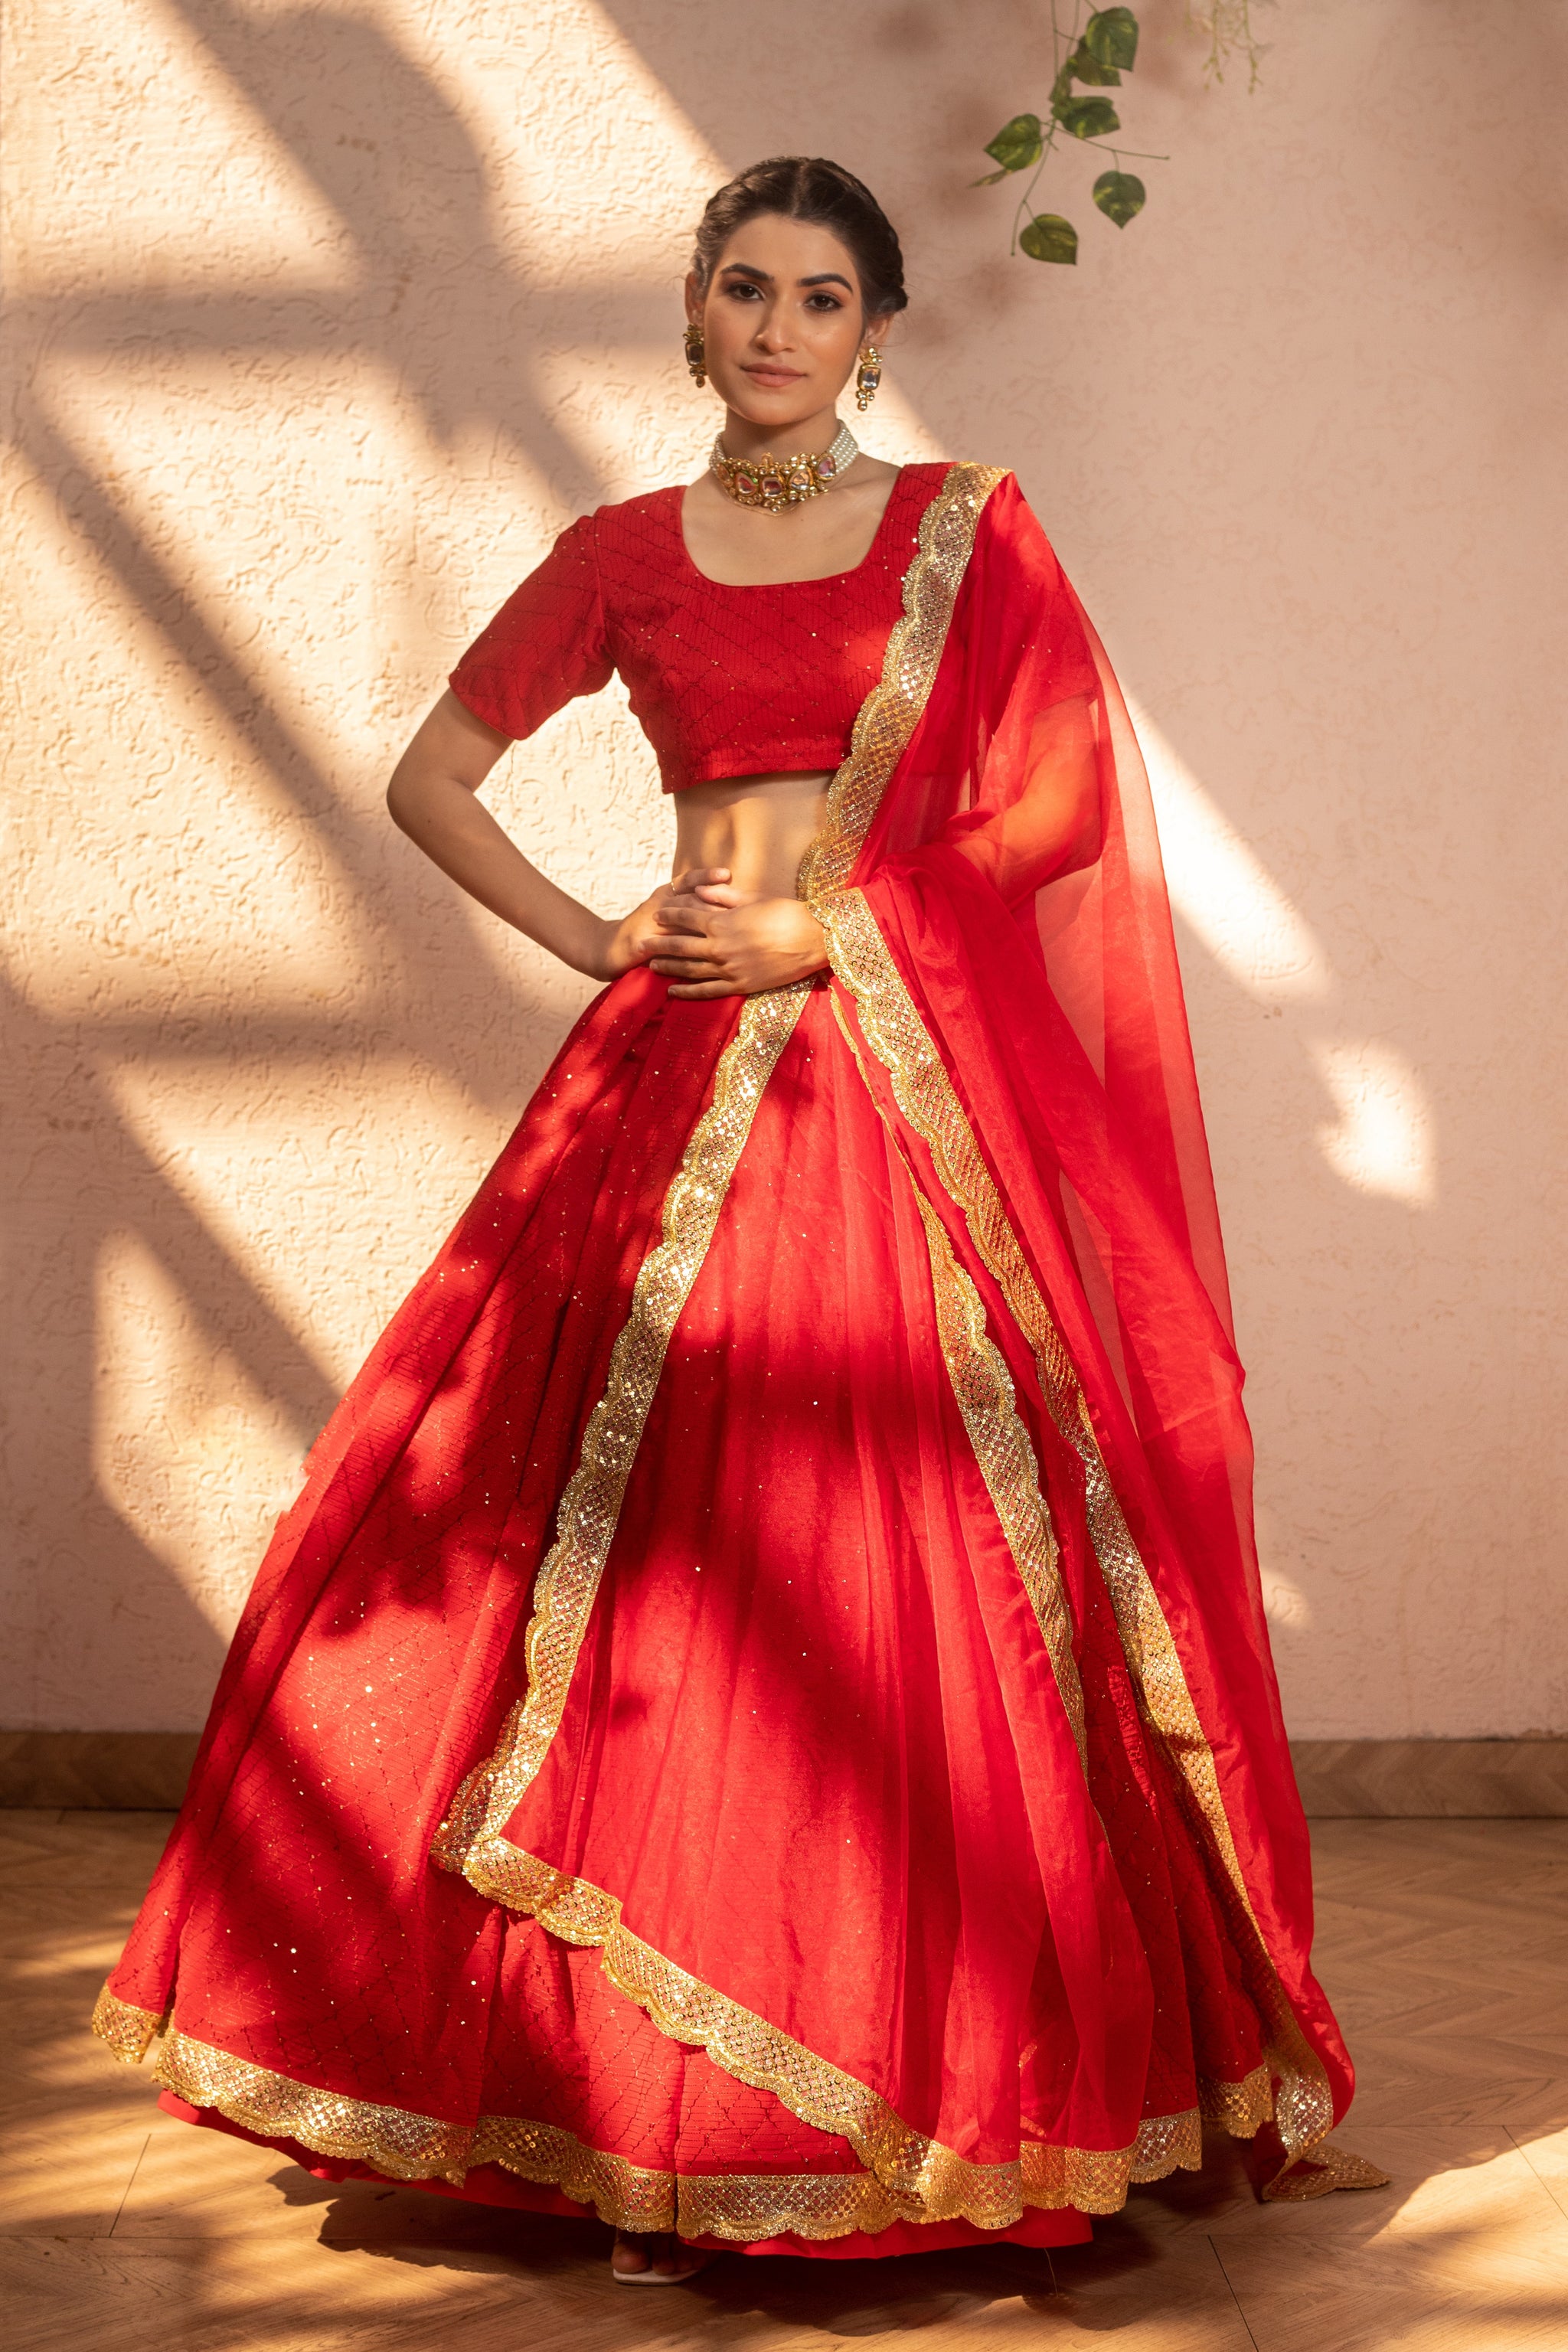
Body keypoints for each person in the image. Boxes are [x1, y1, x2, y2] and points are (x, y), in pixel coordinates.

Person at [92, 155, 1383, 2284]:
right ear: (693, 316)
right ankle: (613, 2105)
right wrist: (603, 933)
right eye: (743, 290)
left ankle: (956, 2084)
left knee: (921, 1556)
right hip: (676, 1066)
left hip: (892, 1074)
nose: (779, 326)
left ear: (875, 327)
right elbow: (435, 777)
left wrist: (842, 928)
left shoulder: (972, 533)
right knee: (615, 1554)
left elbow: (1055, 798)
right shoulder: (616, 555)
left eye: (821, 295)